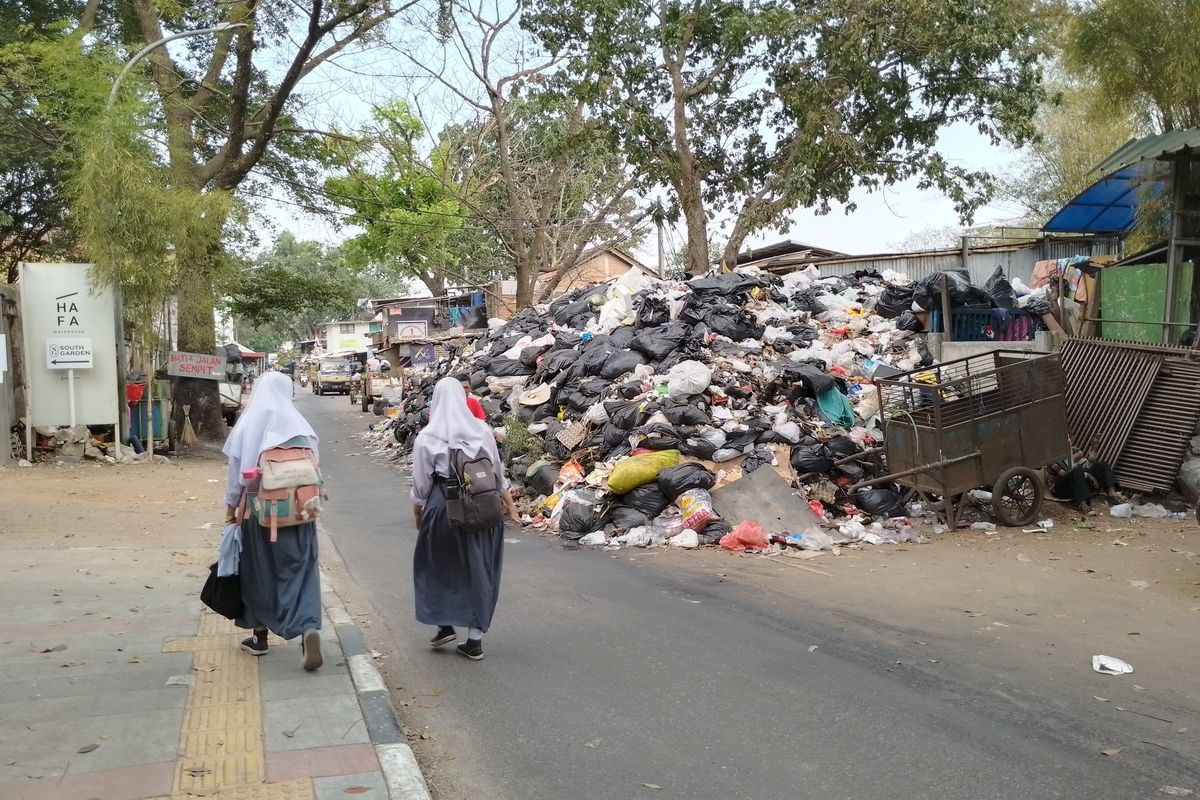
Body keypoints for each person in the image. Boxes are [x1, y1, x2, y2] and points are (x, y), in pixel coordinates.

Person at [411, 377, 519, 661]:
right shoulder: (481, 430)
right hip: (483, 506)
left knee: (435, 566)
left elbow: (421, 486)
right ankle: (474, 640)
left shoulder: (427, 437)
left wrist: (418, 513)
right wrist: (508, 504)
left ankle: (444, 623)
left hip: (443, 507)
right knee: (479, 569)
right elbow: (496, 471)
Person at [222, 371, 325, 670]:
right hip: (300, 512)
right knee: (303, 570)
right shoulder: (300, 425)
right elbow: (316, 468)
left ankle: (260, 637)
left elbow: (235, 477)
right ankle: (308, 628)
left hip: (259, 513)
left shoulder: (248, 424)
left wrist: (231, 509)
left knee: (258, 572)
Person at [1046, 434, 1120, 512]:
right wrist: (1086, 474)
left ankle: (1112, 495)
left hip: (1078, 485)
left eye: (1070, 438)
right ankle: (1083, 504)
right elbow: (1063, 473)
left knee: (1102, 465)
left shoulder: (1075, 451)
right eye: (1066, 438)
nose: (1069, 441)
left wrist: (1094, 449)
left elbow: (1087, 466)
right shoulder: (1054, 455)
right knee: (1077, 469)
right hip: (1062, 488)